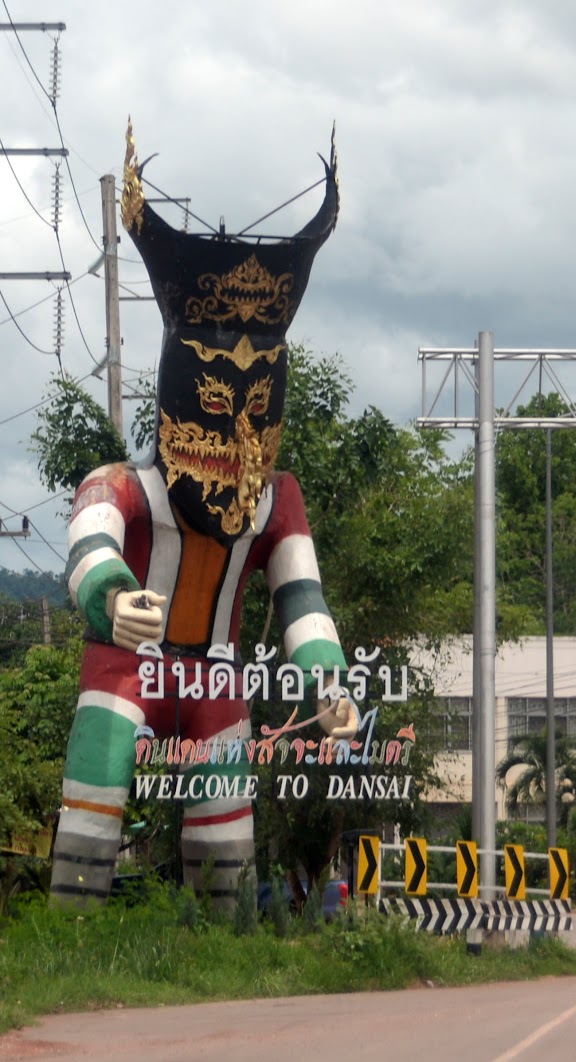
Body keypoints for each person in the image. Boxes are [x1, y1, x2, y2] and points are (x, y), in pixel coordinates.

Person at [51, 124, 355, 911]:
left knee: (226, 838)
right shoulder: (118, 483)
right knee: (97, 791)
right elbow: (88, 548)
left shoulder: (275, 499)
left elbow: (304, 601)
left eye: (258, 396)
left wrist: (327, 680)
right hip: (125, 667)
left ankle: (222, 947)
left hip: (215, 672)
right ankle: (73, 935)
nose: (239, 426)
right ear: (178, 386)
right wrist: (115, 599)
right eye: (218, 394)